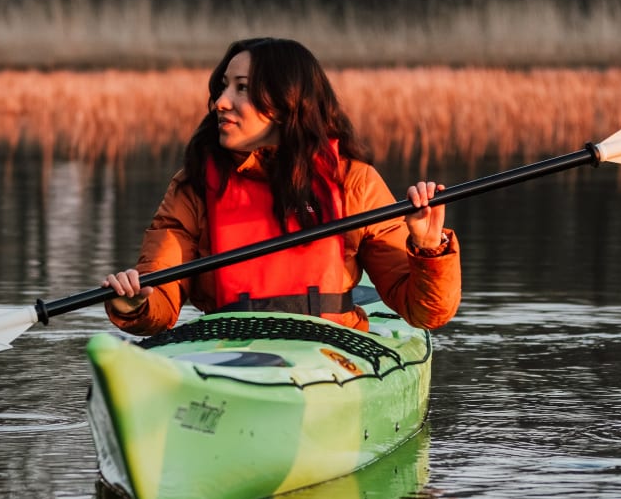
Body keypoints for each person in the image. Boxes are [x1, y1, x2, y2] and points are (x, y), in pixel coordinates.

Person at [103, 37, 459, 335]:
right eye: (224, 86)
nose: (222, 102)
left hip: (333, 355)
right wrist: (135, 302)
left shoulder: (355, 184)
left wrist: (428, 249)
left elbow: (426, 313)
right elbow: (161, 300)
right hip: (227, 352)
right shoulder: (193, 187)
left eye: (242, 89)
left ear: (287, 103)